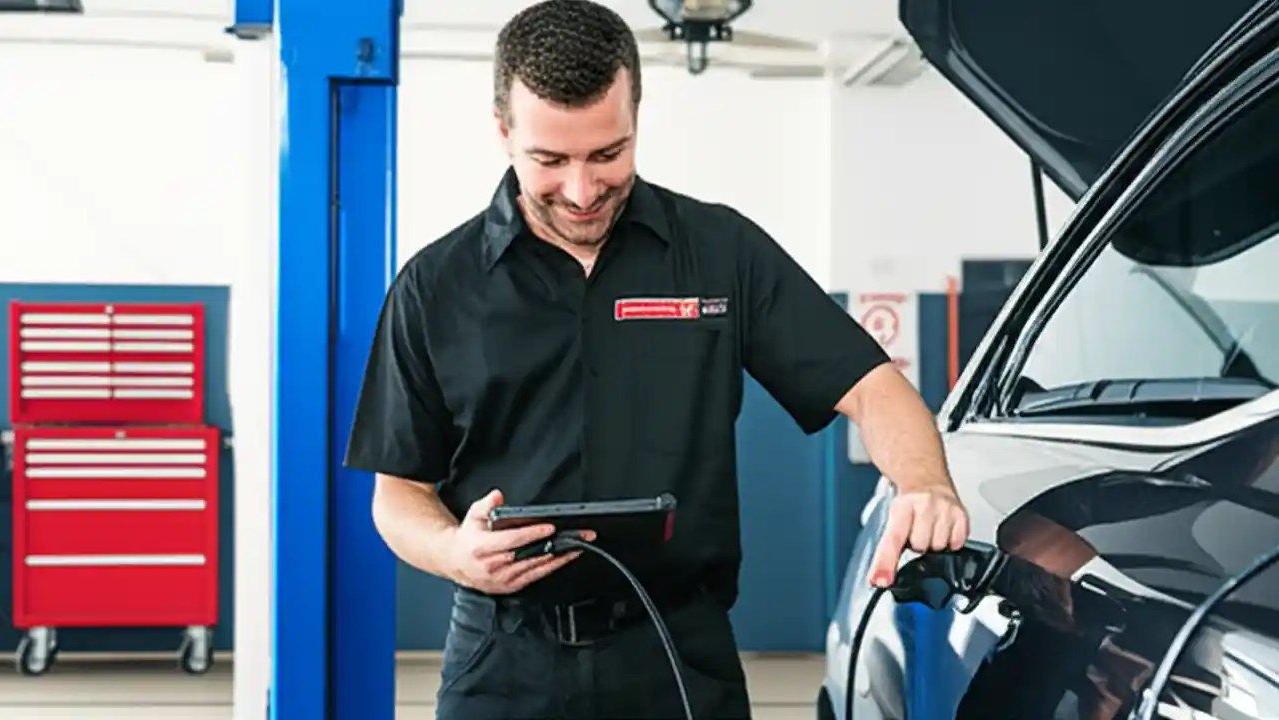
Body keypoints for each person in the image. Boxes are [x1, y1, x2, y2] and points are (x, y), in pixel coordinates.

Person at [343, 1, 970, 717]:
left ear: (636, 116)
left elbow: (872, 387)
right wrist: (454, 551)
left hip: (677, 652)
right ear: (503, 133)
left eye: (607, 153)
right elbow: (397, 496)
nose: (581, 191)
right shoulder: (435, 286)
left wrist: (925, 483)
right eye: (550, 160)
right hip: (501, 659)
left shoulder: (721, 253)